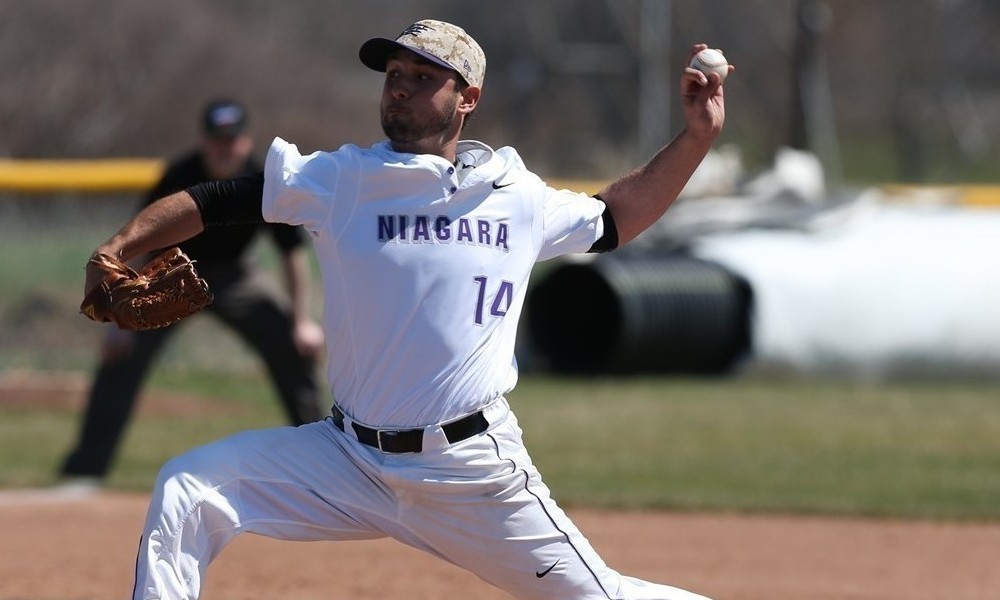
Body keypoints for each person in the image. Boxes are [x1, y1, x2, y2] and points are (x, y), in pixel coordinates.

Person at [83, 19, 732, 600]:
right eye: (394, 74)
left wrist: (698, 137)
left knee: (602, 598)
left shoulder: (514, 196)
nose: (400, 86)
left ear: (467, 99)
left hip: (470, 475)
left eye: (424, 77)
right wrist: (120, 245)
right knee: (189, 488)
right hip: (349, 461)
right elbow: (217, 198)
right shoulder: (343, 180)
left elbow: (617, 216)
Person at [61, 99, 326, 489]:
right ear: (204, 141)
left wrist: (301, 321)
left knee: (290, 345)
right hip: (171, 274)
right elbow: (141, 242)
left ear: (246, 140)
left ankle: (322, 466)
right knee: (123, 353)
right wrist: (118, 326)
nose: (225, 148)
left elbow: (291, 252)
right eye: (217, 139)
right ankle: (85, 471)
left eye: (233, 139)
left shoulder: (263, 178)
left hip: (237, 277)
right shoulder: (179, 175)